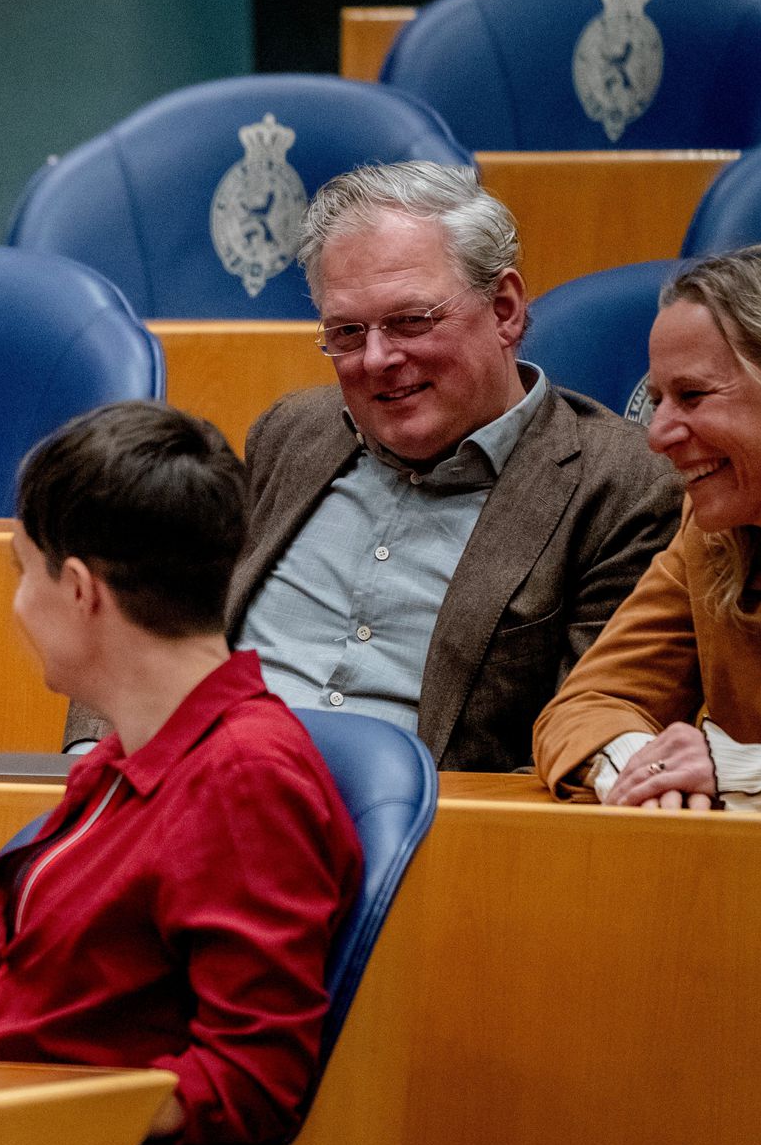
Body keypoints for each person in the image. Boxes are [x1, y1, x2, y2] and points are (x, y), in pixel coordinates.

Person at [63, 162, 680, 771]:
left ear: (504, 309)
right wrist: (94, 761)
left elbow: (591, 729)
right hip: (193, 798)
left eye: (411, 321)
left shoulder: (621, 486)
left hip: (412, 841)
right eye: (348, 332)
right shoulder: (295, 432)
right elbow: (154, 606)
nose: (377, 358)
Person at [0, 401, 362, 1145]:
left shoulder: (245, 777)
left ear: (82, 591)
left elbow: (250, 1083)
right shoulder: (124, 760)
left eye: (24, 572)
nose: (20, 605)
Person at [535, 247, 761, 810]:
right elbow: (587, 703)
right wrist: (649, 771)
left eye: (692, 396)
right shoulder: (713, 532)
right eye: (658, 401)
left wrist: (734, 768)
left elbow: (725, 767)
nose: (656, 436)